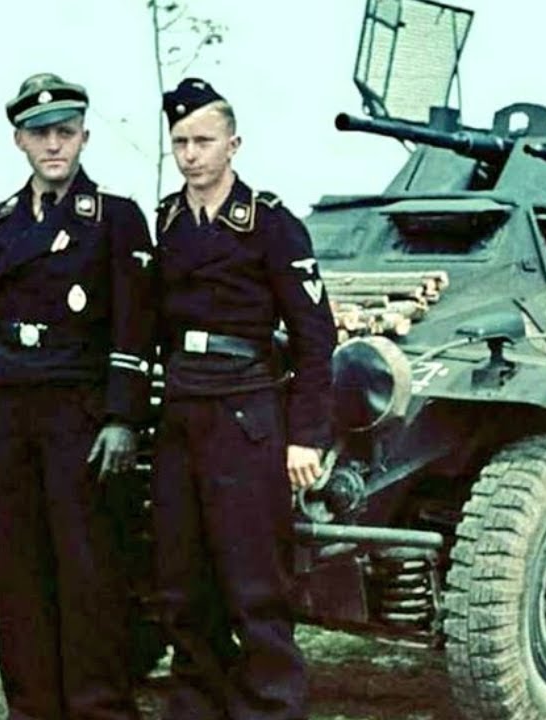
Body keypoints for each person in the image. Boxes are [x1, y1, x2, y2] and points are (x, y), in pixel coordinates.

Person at [0, 73, 154, 719]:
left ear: (84, 137)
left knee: (89, 566)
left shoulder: (115, 218)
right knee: (17, 569)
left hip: (81, 414)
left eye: (65, 133)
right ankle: (31, 705)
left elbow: (135, 326)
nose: (54, 145)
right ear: (20, 141)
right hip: (12, 414)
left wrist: (122, 417)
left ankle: (98, 706)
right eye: (41, 134)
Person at [151, 77, 336, 720]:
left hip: (245, 411)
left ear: (234, 144)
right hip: (182, 412)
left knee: (254, 580)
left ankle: (270, 706)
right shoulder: (169, 221)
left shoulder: (271, 223)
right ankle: (195, 704)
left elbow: (316, 337)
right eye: (180, 142)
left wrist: (306, 435)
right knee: (183, 575)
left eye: (203, 140)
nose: (191, 154)